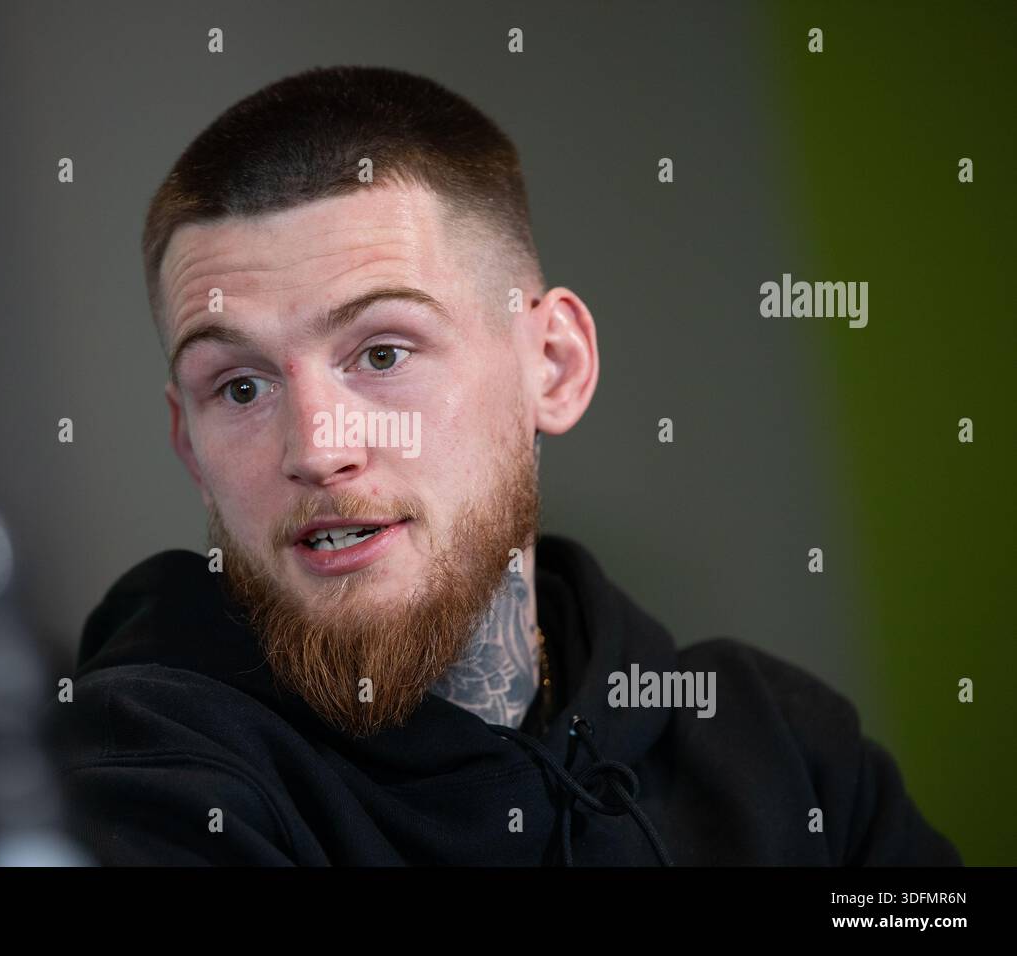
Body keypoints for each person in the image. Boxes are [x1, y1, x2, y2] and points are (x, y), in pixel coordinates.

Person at [54, 65, 960, 865]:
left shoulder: (783, 751)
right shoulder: (138, 787)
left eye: (383, 353)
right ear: (187, 443)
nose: (318, 449)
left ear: (554, 366)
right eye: (241, 387)